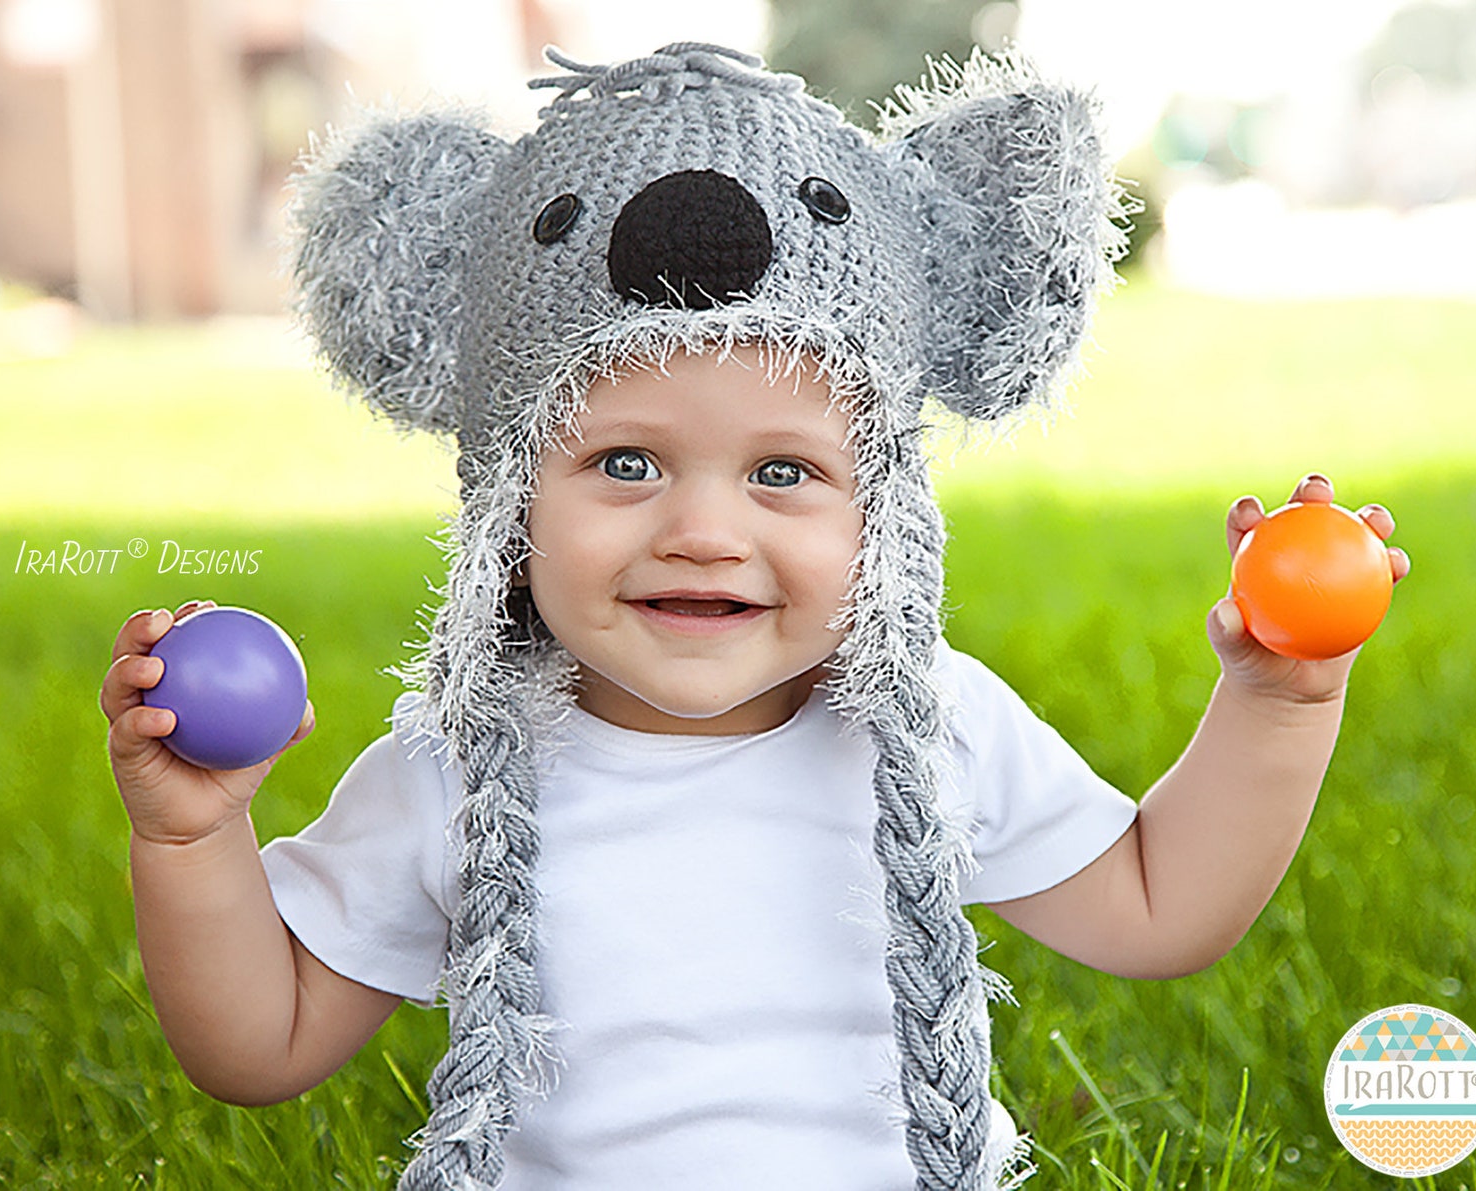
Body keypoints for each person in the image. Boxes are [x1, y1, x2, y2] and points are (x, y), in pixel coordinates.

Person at [100, 44, 1409, 1191]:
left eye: (784, 473)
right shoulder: (462, 771)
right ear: (505, 501)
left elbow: (1162, 908)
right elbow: (257, 1047)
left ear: (883, 512)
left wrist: (1282, 695)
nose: (704, 530)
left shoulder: (926, 732)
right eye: (624, 464)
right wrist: (194, 837)